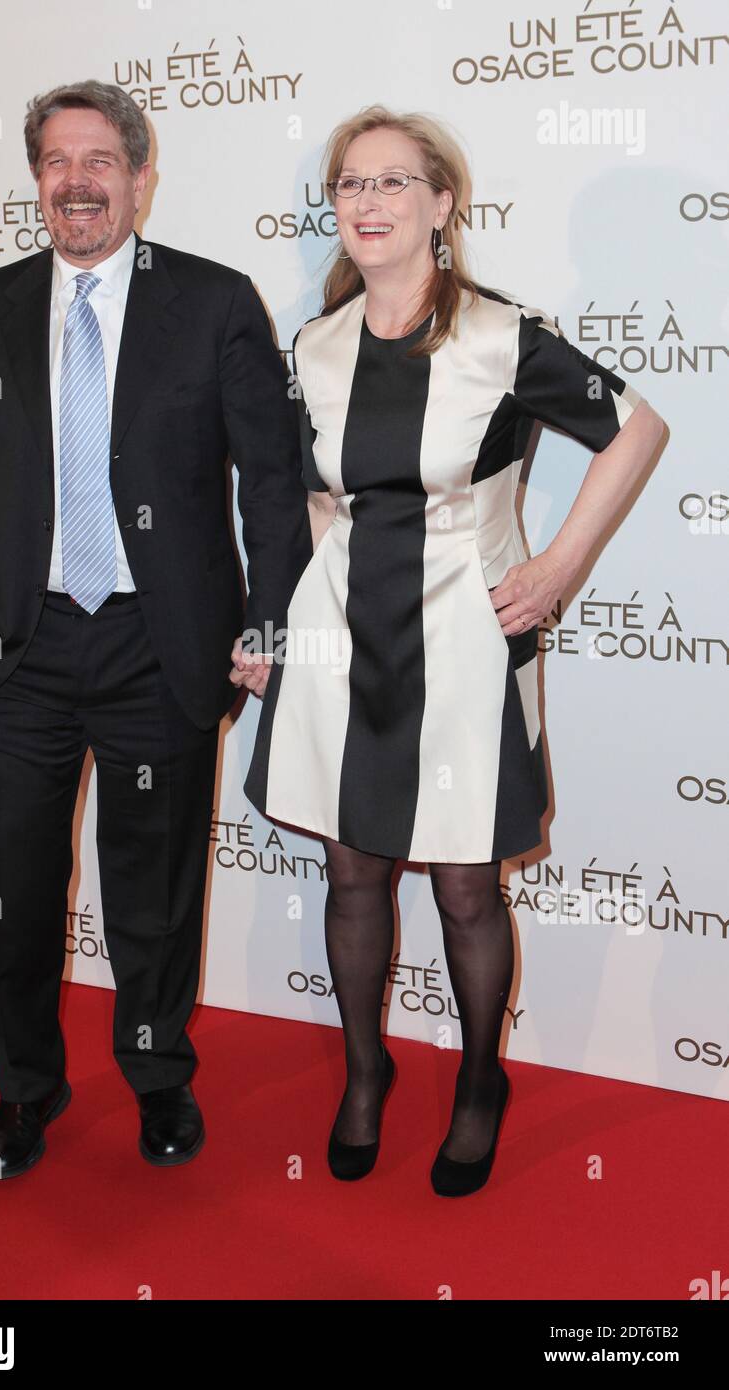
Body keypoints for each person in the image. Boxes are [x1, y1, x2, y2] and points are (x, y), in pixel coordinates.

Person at [242, 105, 665, 1195]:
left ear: (442, 203)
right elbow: (314, 505)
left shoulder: (500, 334)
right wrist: (275, 627)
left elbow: (636, 428)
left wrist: (558, 565)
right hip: (343, 638)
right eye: (350, 183)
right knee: (351, 870)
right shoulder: (315, 345)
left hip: (467, 643)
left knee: (468, 885)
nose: (368, 201)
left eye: (393, 181)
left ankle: (480, 1081)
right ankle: (364, 1072)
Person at [0, 79, 312, 1179]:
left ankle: (156, 1073)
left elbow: (271, 482)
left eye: (99, 160)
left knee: (155, 890)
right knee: (19, 893)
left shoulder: (214, 302)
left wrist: (267, 622)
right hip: (21, 655)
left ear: (140, 177)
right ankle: (25, 1091)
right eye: (57, 161)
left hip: (159, 647)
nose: (77, 181)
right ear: (36, 180)